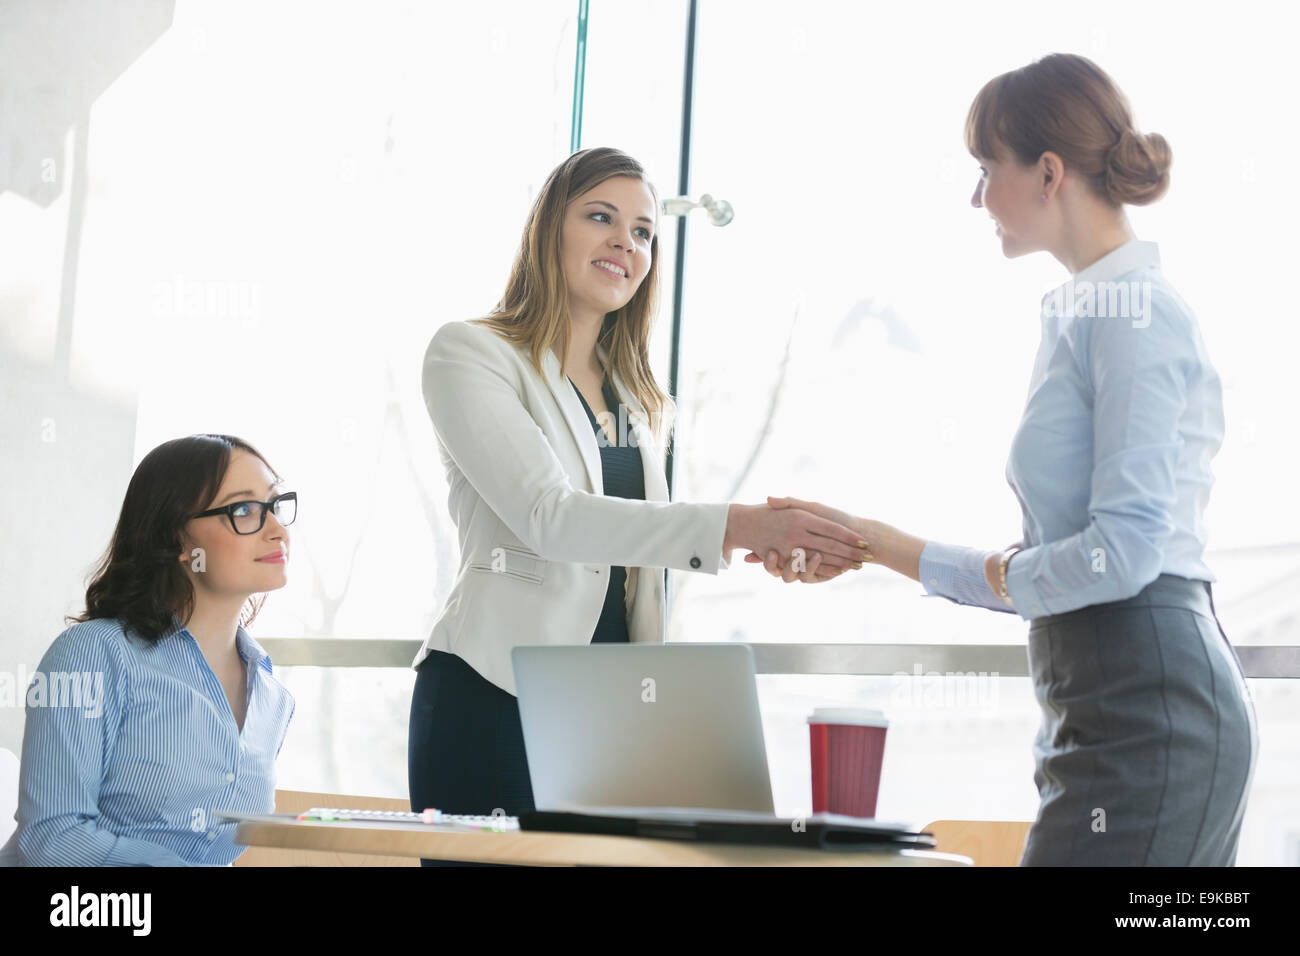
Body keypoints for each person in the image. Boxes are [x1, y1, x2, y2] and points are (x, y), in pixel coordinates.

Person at [749, 53, 1258, 866]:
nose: (978, 195)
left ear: (1049, 172)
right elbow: (1069, 565)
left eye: (988, 169)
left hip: (1153, 716)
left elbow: (1119, 557)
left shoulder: (1135, 319)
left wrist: (995, 574)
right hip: (1104, 707)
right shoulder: (1089, 313)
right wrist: (876, 543)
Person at [409, 147, 872, 864]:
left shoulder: (638, 400)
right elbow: (550, 518)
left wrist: (763, 541)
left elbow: (641, 565)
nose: (627, 241)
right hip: (494, 699)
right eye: (601, 217)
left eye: (645, 231)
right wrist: (735, 525)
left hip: (610, 714)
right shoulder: (471, 354)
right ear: (547, 231)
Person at [1, 434, 296, 866]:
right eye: (244, 509)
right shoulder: (92, 655)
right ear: (177, 540)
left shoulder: (271, 696)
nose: (277, 530)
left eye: (274, 504)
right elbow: (52, 838)